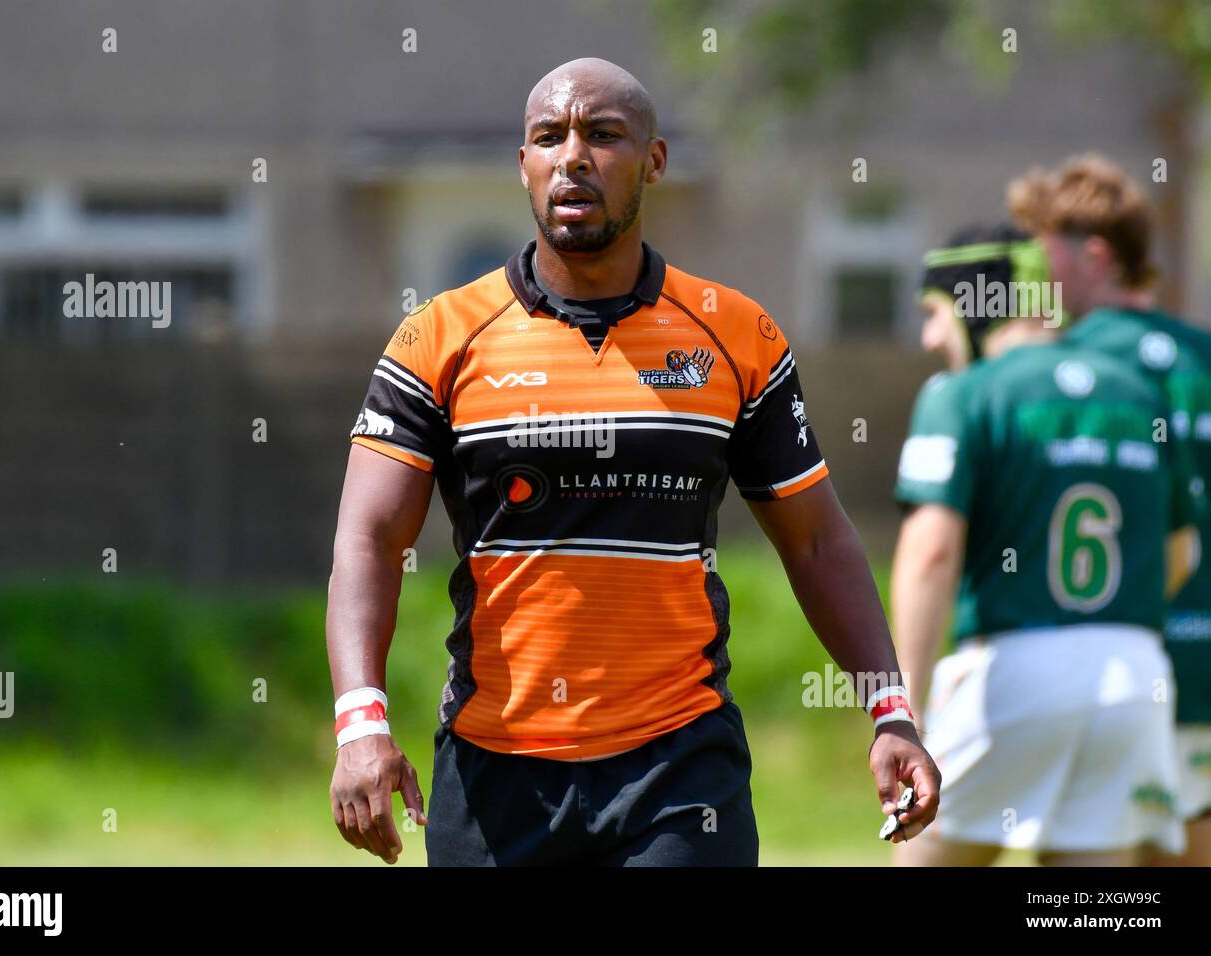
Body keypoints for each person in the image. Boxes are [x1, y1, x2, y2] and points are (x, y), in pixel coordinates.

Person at [325, 56, 939, 866]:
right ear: (524, 166)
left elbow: (817, 541)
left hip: (678, 767)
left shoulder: (734, 335)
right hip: (493, 768)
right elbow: (369, 539)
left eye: (602, 135)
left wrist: (888, 708)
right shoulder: (438, 336)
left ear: (653, 161)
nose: (572, 155)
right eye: (549, 137)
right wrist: (361, 722)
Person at [891, 224, 1199, 866]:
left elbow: (930, 555)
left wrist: (903, 709)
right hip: (1133, 683)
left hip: (1010, 679)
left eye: (931, 314)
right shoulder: (1139, 394)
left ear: (969, 306)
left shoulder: (963, 394)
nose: (927, 338)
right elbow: (1181, 553)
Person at [1009, 153, 1211, 864]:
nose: (1036, 274)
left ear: (1095, 255)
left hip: (1108, 671)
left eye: (1046, 255)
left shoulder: (1060, 371)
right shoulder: (1203, 357)